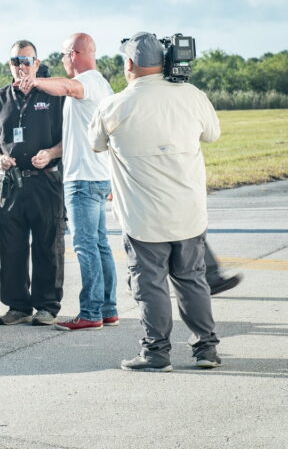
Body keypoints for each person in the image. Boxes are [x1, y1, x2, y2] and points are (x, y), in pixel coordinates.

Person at [89, 32, 222, 372]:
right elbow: (212, 134)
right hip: (188, 213)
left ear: (130, 63)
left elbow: (96, 144)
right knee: (192, 280)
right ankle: (206, 349)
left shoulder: (114, 105)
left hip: (142, 218)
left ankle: (157, 353)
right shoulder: (191, 95)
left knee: (150, 286)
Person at [17, 33, 118, 331]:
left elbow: (67, 86)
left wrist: (34, 81)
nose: (61, 60)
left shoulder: (86, 82)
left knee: (86, 247)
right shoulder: (103, 83)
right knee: (100, 246)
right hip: (98, 176)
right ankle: (108, 308)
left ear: (73, 54)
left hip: (83, 181)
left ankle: (90, 313)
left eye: (62, 55)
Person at [0, 40, 65, 326]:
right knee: (12, 246)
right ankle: (17, 305)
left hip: (45, 181)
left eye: (27, 61)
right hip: (10, 184)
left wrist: (51, 153)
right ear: (9, 65)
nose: (21, 66)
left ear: (37, 64)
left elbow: (74, 138)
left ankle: (47, 306)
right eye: (16, 61)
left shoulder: (54, 96)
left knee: (47, 245)